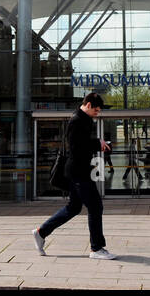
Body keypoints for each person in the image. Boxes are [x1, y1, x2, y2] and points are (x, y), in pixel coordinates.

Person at [33, 93, 116, 260]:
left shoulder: (83, 119)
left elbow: (83, 143)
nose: (97, 113)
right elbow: (75, 147)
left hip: (79, 170)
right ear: (89, 105)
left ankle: (41, 232)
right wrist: (96, 143)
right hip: (78, 171)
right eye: (96, 110)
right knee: (95, 207)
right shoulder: (76, 120)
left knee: (74, 207)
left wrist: (98, 143)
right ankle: (97, 248)